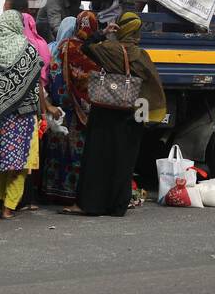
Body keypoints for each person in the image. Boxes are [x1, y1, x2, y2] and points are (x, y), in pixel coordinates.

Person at [64, 13, 166, 217]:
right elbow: (152, 85)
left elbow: (85, 47)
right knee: (124, 161)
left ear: (120, 28)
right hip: (132, 114)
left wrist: (102, 33)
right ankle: (118, 206)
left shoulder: (108, 49)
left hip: (105, 112)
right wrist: (146, 116)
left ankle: (90, 204)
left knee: (97, 159)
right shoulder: (141, 55)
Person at [0, 10, 59, 219]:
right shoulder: (28, 50)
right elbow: (37, 84)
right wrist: (44, 109)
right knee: (20, 161)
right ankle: (9, 207)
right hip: (25, 113)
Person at [42, 11, 99, 205]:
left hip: (58, 108)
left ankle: (52, 190)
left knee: (57, 150)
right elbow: (91, 79)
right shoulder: (85, 50)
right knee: (76, 152)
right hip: (78, 110)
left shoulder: (59, 47)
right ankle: (71, 192)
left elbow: (53, 74)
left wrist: (54, 102)